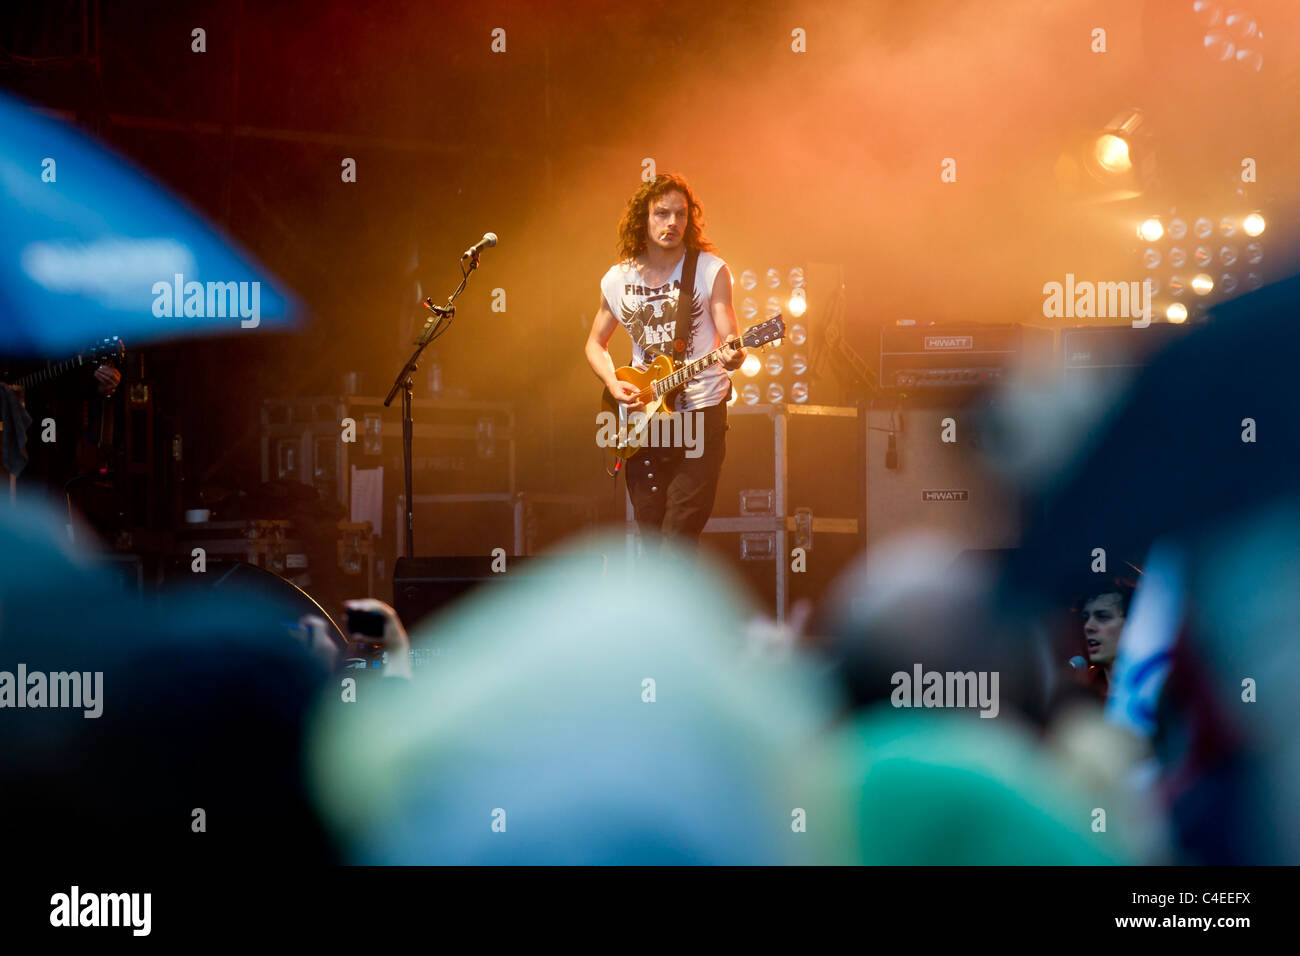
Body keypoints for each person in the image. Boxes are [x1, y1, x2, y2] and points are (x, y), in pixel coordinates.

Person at [584, 173, 745, 551]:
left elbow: (731, 336)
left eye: (681, 215)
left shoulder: (709, 270)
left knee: (678, 537)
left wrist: (736, 353)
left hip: (700, 416)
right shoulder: (617, 279)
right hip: (644, 419)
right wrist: (612, 383)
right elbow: (594, 344)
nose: (672, 222)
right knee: (652, 540)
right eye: (662, 214)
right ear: (644, 218)